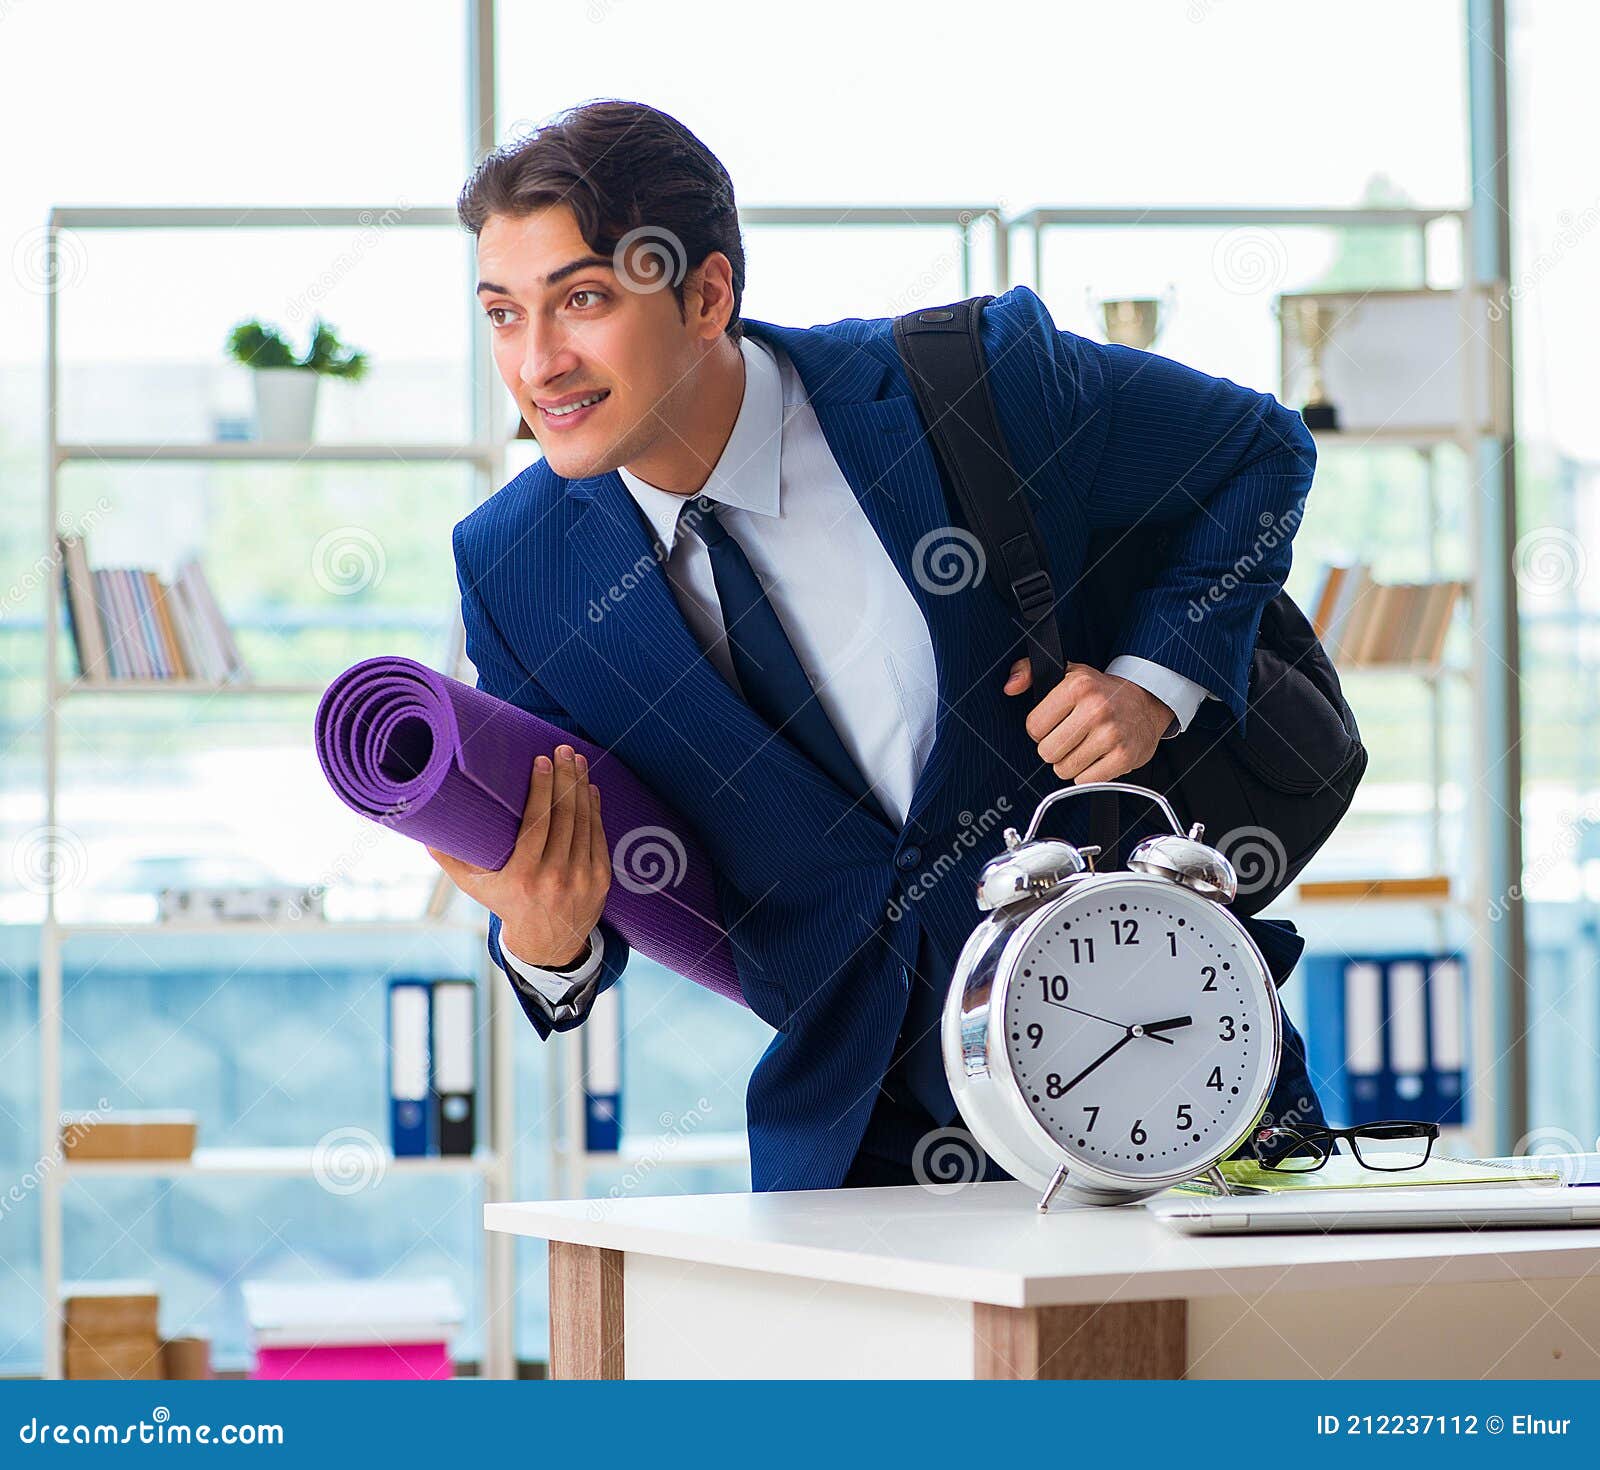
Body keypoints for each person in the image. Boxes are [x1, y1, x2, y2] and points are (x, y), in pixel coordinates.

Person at [429, 99, 1330, 1193]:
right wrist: (545, 942)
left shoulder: (968, 386)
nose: (538, 363)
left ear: (706, 293)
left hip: (1163, 1064)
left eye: (581, 301)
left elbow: (1257, 455)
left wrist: (1149, 683)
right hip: (855, 1145)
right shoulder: (518, 571)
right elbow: (592, 884)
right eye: (501, 315)